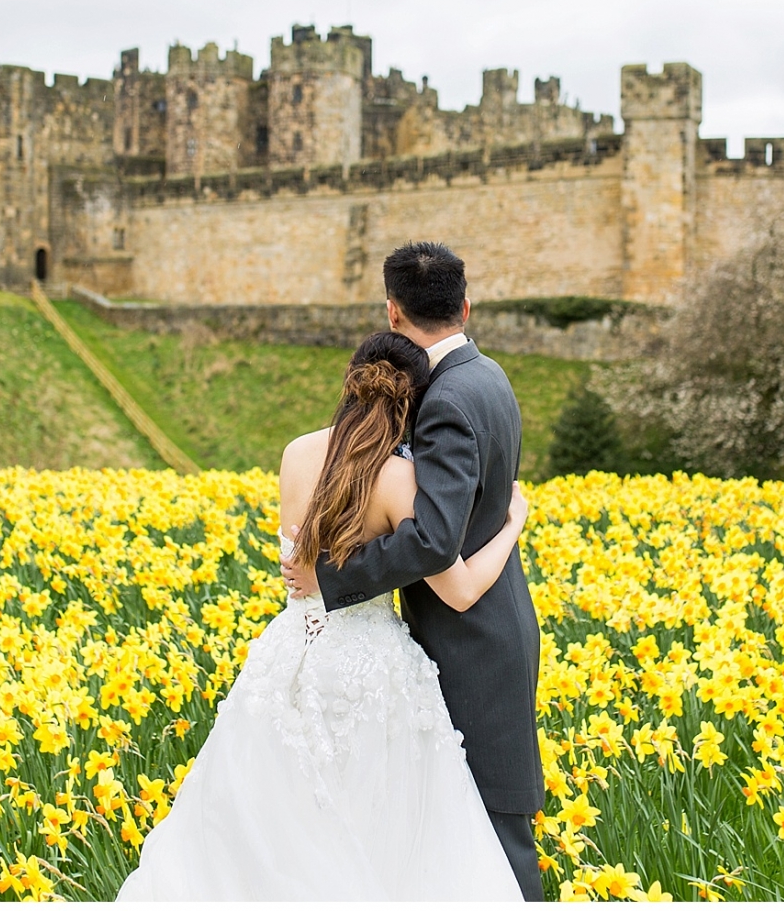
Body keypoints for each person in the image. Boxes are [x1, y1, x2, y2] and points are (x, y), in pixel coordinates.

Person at [118, 330, 528, 900]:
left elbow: (299, 559)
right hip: (372, 669)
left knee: (275, 824)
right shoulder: (399, 479)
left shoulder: (296, 453)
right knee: (382, 834)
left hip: (292, 654)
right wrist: (512, 527)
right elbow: (458, 591)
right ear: (412, 403)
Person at [283, 241, 545, 901]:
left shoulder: (447, 398)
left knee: (494, 838)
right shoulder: (490, 376)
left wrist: (330, 580)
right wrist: (514, 525)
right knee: (467, 834)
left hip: (472, 640)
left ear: (392, 312)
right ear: (465, 306)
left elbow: (431, 540)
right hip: (482, 624)